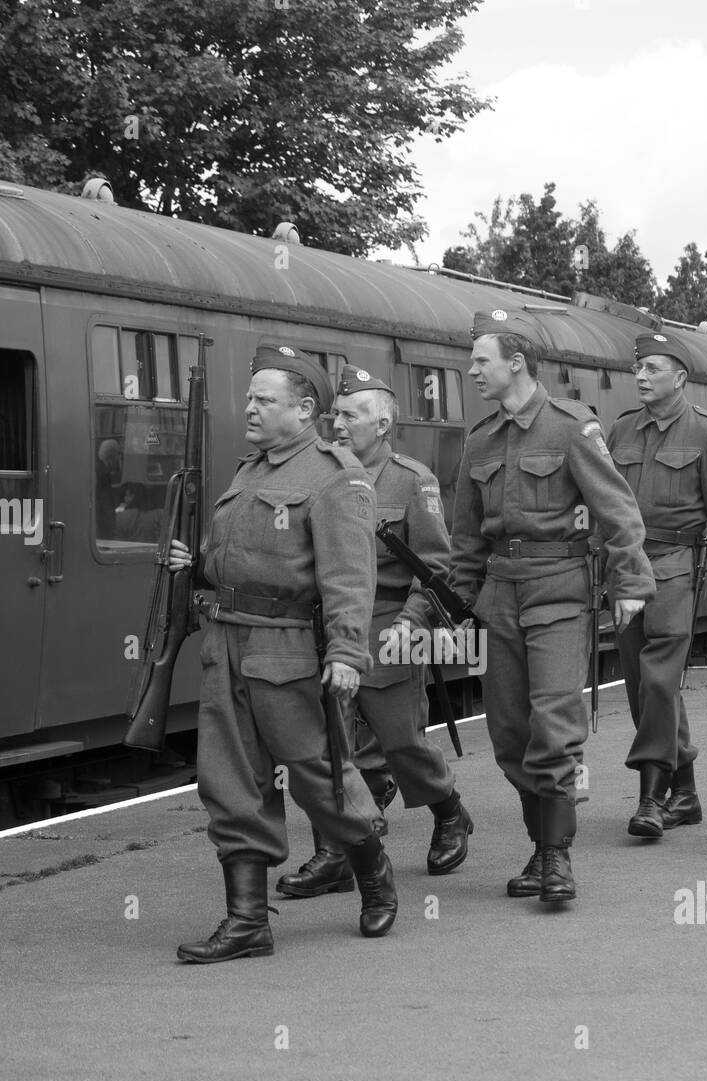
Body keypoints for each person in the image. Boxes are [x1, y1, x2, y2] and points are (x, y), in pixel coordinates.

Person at [167, 341, 398, 961]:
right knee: (229, 782)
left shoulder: (334, 475)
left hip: (286, 650)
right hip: (226, 644)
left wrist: (347, 653)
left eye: (263, 400)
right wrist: (201, 570)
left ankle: (372, 867)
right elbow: (239, 561)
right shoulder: (250, 472)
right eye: (249, 397)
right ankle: (248, 923)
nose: (249, 408)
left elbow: (351, 577)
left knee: (318, 776)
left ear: (304, 410)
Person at [449, 308, 654, 903]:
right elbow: (466, 538)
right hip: (499, 594)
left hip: (559, 591)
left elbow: (617, 511)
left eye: (480, 360)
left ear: (516, 362)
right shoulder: (480, 440)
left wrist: (632, 586)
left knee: (555, 727)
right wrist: (457, 604)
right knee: (509, 734)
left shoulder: (570, 427)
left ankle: (555, 856)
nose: (472, 370)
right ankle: (541, 844)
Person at [276, 364, 472, 898]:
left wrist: (412, 623)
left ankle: (449, 811)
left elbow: (435, 566)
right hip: (330, 624)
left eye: (350, 414)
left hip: (388, 623)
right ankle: (336, 853)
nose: (337, 423)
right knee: (330, 748)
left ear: (382, 424)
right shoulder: (318, 473)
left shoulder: (412, 480)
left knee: (401, 742)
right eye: (334, 413)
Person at [606, 332, 707, 837]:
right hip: (624, 569)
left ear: (680, 378)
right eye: (638, 368)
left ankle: (651, 798)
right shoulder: (620, 431)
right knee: (644, 688)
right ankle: (685, 793)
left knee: (660, 680)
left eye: (652, 369)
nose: (640, 375)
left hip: (673, 567)